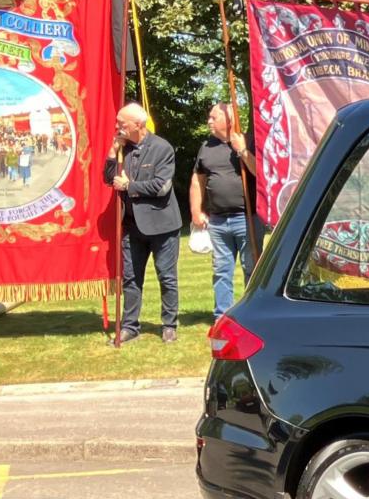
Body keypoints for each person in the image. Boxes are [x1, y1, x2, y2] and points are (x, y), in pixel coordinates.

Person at [104, 103, 182, 344]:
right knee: (131, 278)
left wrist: (130, 187)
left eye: (122, 124)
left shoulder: (162, 148)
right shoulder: (122, 149)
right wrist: (112, 152)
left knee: (166, 276)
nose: (118, 127)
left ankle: (169, 324)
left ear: (138, 125)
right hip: (132, 226)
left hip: (162, 225)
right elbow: (108, 179)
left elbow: (161, 187)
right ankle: (130, 326)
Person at [190, 102, 257, 321]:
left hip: (246, 218)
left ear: (229, 120)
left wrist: (242, 151)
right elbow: (198, 181)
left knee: (251, 268)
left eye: (213, 117)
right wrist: (195, 211)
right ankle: (222, 316)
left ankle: (252, 313)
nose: (209, 121)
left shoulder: (248, 141)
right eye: (209, 117)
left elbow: (260, 173)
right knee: (221, 271)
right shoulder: (206, 147)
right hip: (217, 221)